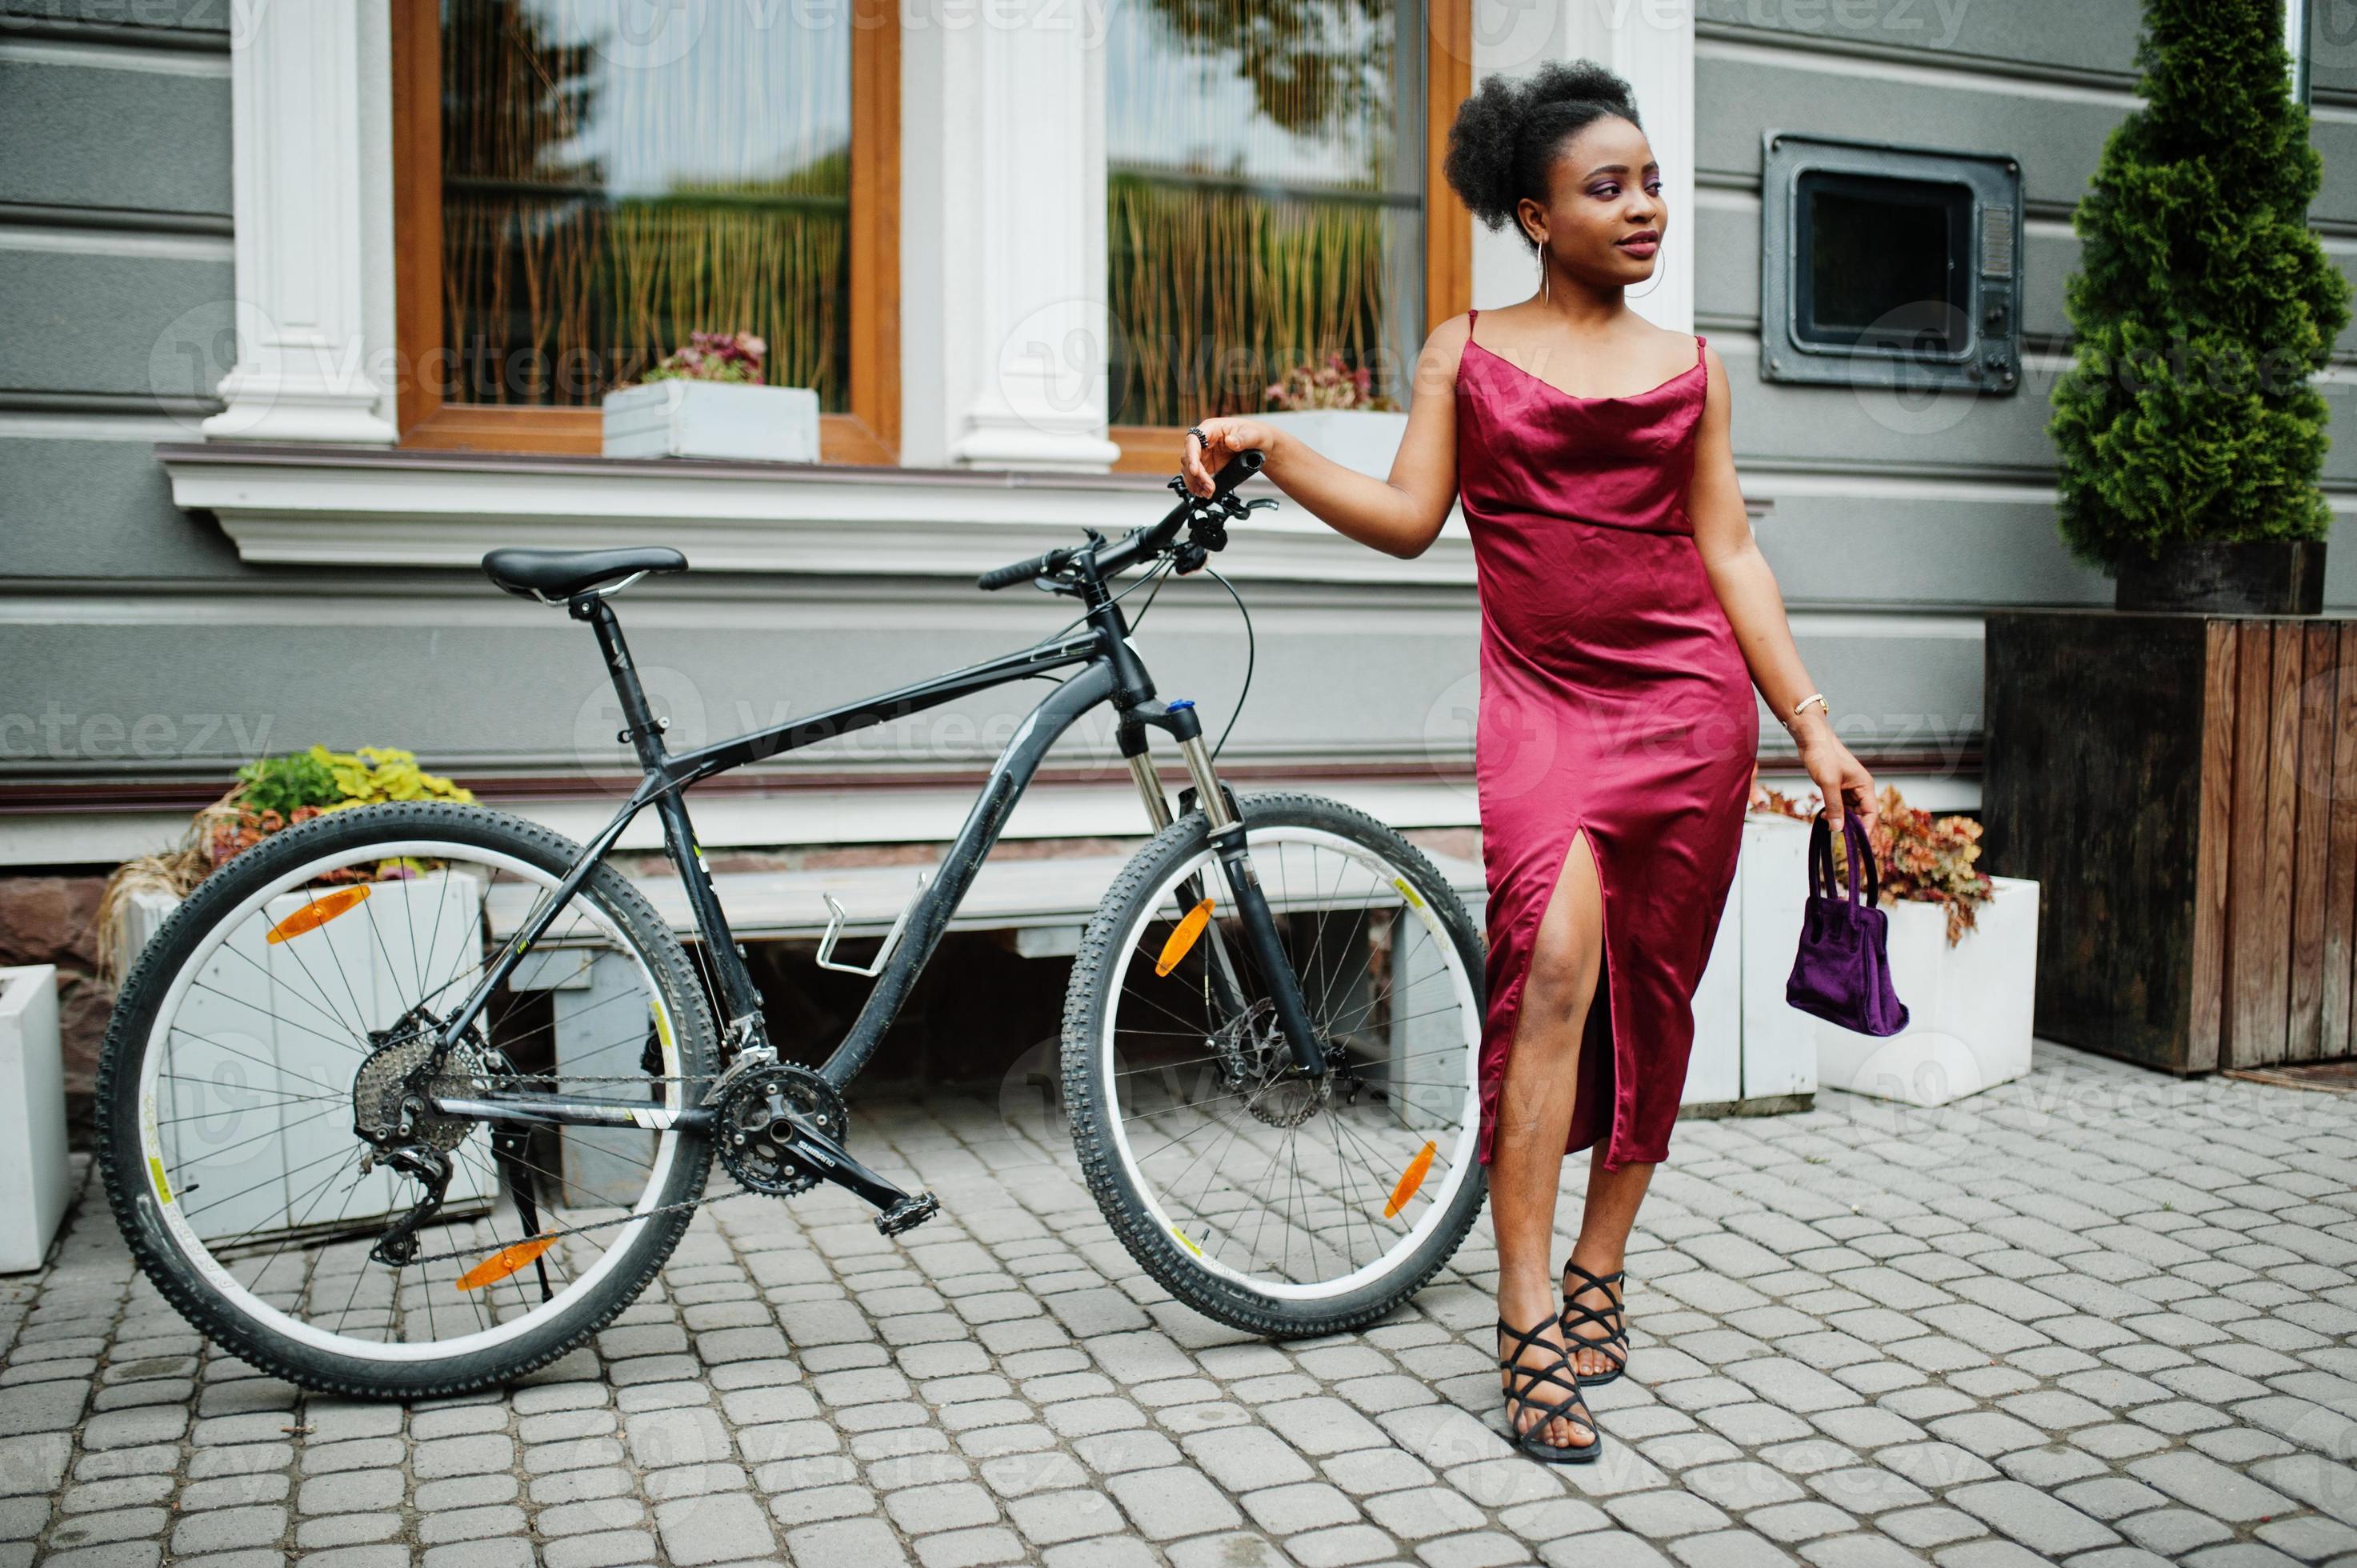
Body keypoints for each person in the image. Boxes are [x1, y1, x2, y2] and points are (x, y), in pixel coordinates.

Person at [1176, 59, 1879, 1462]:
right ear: (1532, 213)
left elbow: (1728, 549)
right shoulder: (1465, 350)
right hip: (1546, 706)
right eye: (1605, 187)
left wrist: (1811, 724)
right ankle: (1520, 1314)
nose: (1644, 209)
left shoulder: (1689, 369)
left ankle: (1601, 1264)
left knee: (1653, 994)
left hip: (1686, 715)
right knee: (1548, 969)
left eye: (1651, 181)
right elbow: (1405, 516)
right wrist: (1273, 444)